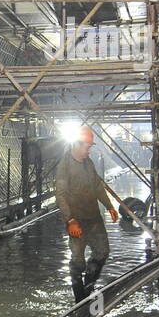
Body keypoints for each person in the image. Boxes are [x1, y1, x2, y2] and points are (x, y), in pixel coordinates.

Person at [54, 124, 117, 302]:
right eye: (87, 147)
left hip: (94, 217)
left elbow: (97, 186)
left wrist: (109, 206)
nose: (89, 151)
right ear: (77, 144)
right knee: (77, 260)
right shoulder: (64, 166)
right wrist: (70, 220)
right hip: (77, 220)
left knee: (102, 251)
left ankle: (89, 284)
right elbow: (61, 195)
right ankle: (79, 298)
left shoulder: (88, 163)